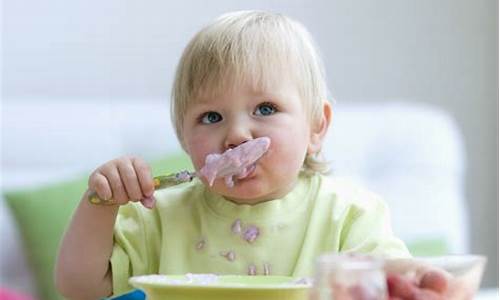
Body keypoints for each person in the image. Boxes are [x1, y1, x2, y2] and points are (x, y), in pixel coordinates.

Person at [55, 10, 412, 299]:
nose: (237, 134)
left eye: (266, 108)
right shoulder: (157, 219)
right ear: (184, 137)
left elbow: (399, 288)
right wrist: (99, 205)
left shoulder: (349, 216)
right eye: (211, 117)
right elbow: (80, 289)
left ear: (317, 127)